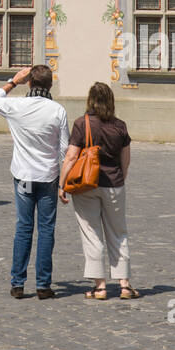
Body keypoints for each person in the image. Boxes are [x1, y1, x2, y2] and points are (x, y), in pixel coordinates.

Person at [0, 65, 69, 300]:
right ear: (50, 85)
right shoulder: (57, 110)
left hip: (24, 176)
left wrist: (13, 81)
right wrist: (64, 182)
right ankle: (43, 285)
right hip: (48, 177)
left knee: (23, 228)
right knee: (46, 230)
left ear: (30, 84)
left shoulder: (16, 106)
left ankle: (18, 283)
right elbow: (65, 149)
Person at [58, 82, 137, 301]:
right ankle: (124, 285)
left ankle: (100, 287)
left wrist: (62, 183)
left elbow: (71, 157)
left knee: (91, 233)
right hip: (114, 184)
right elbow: (126, 161)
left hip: (86, 185)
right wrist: (120, 179)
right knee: (118, 232)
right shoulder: (120, 126)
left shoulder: (82, 124)